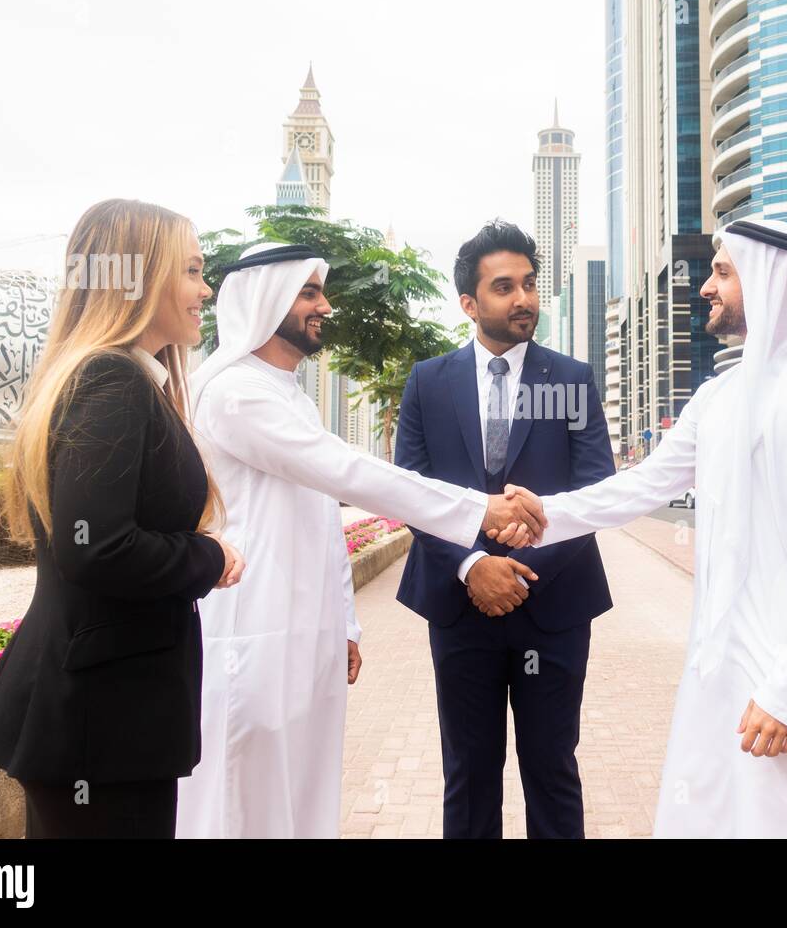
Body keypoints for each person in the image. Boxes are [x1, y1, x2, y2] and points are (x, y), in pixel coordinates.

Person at [500, 219, 787, 837]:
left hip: (783, 676)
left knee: (782, 820)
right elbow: (643, 486)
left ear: (770, 283)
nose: (705, 286)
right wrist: (546, 514)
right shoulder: (721, 396)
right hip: (716, 668)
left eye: (723, 272)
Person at [175, 242, 544, 838]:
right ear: (265, 299)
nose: (324, 305)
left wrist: (344, 623)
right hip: (253, 629)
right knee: (241, 796)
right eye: (308, 292)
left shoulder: (286, 393)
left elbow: (323, 519)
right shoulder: (234, 393)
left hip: (305, 633)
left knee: (301, 790)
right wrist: (479, 509)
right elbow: (352, 474)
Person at [0, 198, 246, 838]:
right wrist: (209, 557)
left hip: (110, 715)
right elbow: (95, 547)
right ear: (138, 279)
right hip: (101, 720)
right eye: (193, 270)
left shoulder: (120, 379)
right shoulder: (112, 383)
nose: (206, 290)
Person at [393, 221, 616, 838]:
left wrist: (521, 570)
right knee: (468, 772)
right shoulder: (427, 383)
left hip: (554, 605)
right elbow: (411, 493)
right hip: (460, 609)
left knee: (551, 770)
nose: (523, 299)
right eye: (503, 287)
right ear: (469, 303)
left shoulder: (570, 379)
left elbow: (594, 492)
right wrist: (472, 566)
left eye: (529, 284)